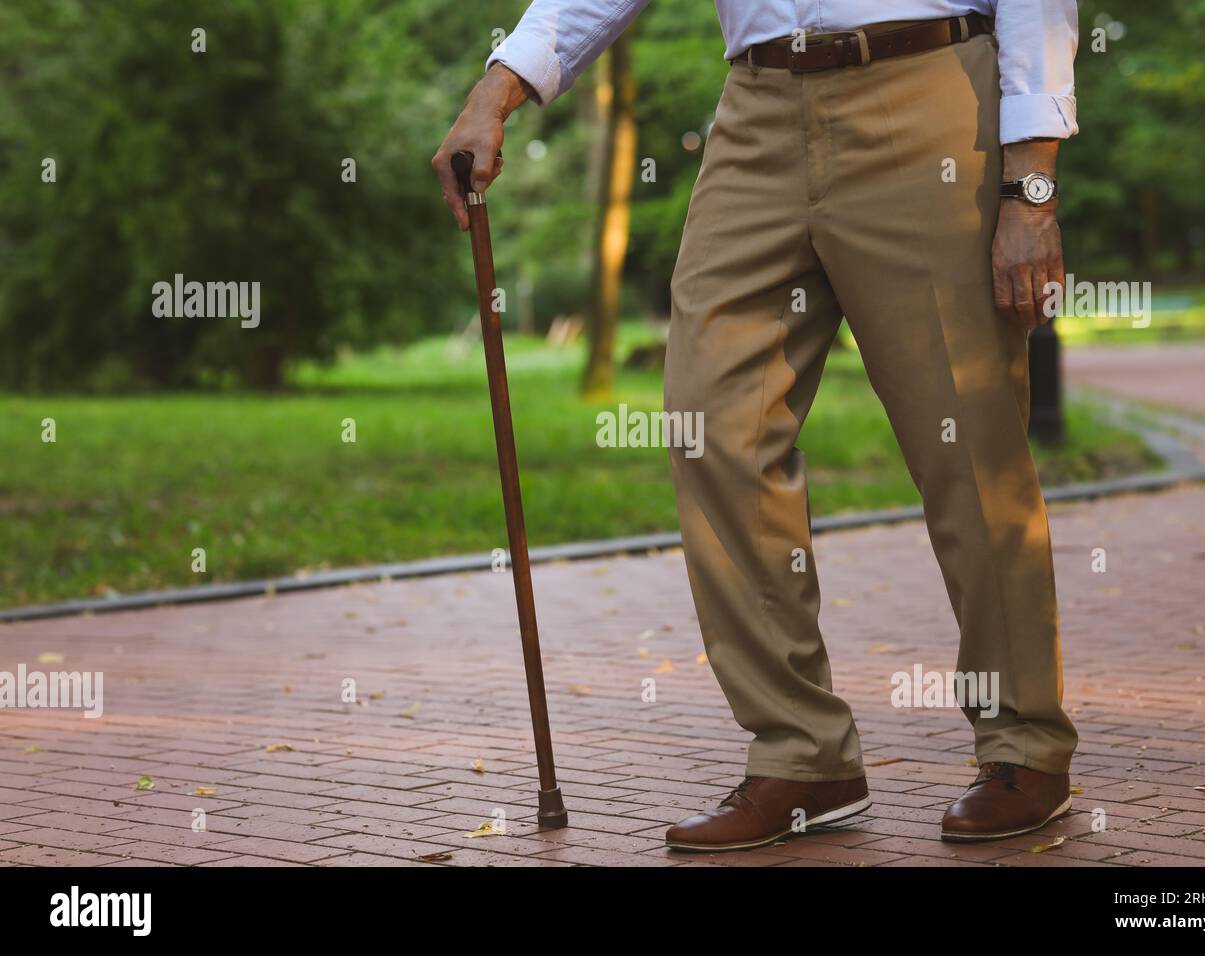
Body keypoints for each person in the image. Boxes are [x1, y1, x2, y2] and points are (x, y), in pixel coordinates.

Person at [433, 0, 1080, 852]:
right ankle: (801, 755)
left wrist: (1029, 185)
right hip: (757, 110)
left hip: (929, 96)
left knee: (967, 442)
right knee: (713, 418)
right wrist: (496, 89)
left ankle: (1023, 747)